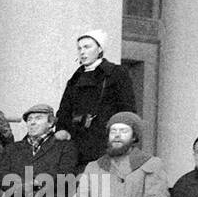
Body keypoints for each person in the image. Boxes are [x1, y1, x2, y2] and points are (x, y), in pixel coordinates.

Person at [56, 29, 137, 165]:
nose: (82, 52)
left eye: (87, 47)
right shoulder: (75, 78)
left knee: (100, 183)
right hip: (75, 144)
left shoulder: (116, 73)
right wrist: (62, 130)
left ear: (99, 49)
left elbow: (127, 109)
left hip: (104, 144)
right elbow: (64, 110)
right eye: (79, 48)